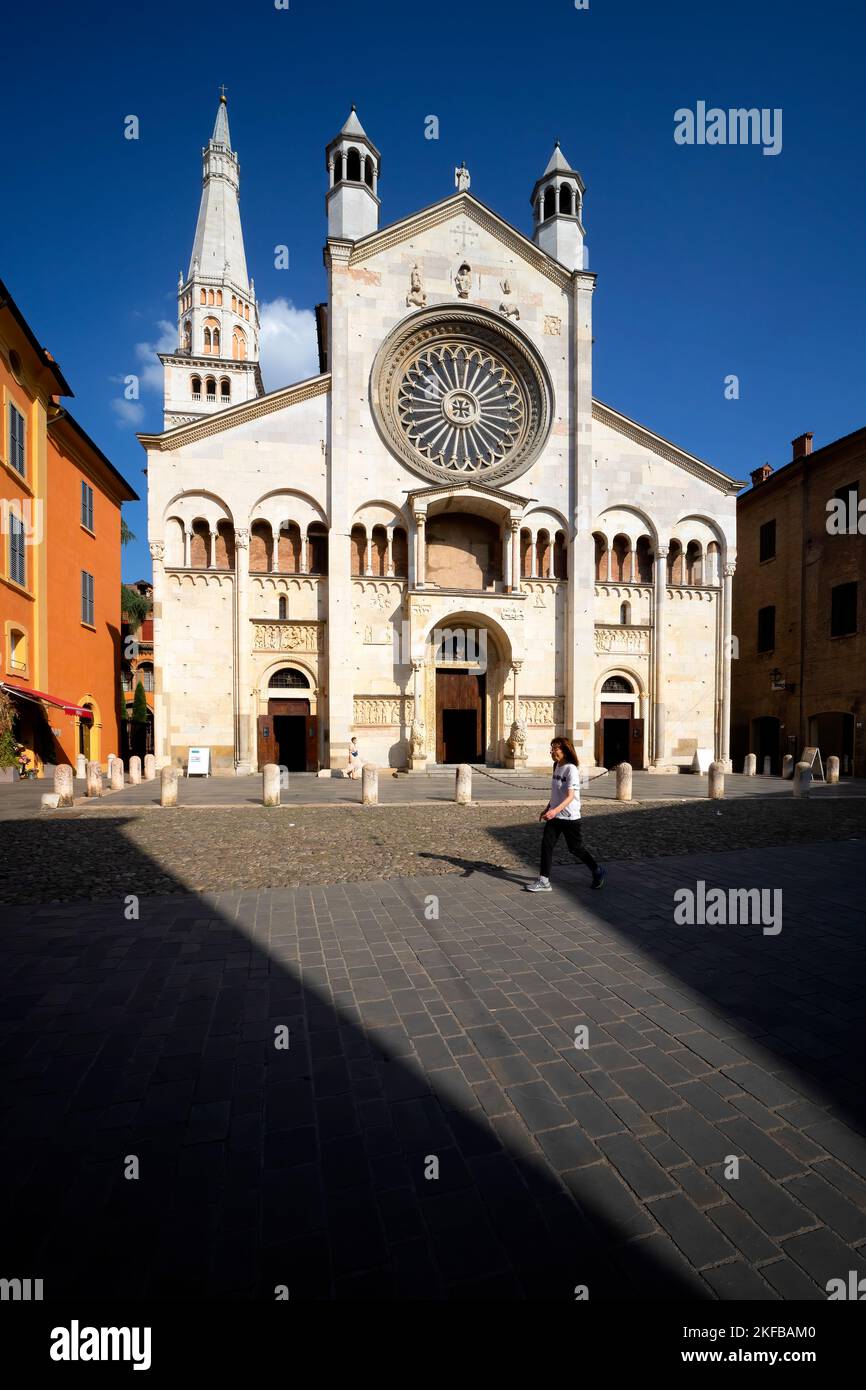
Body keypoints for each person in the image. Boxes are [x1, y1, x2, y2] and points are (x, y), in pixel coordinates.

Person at [525, 737, 606, 891]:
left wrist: (554, 810)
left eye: (555, 748)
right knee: (546, 846)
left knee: (576, 848)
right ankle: (544, 881)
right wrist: (548, 808)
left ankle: (597, 870)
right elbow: (556, 793)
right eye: (551, 748)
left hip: (570, 817)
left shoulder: (571, 769)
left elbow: (570, 796)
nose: (552, 751)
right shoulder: (556, 765)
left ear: (565, 750)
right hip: (555, 816)